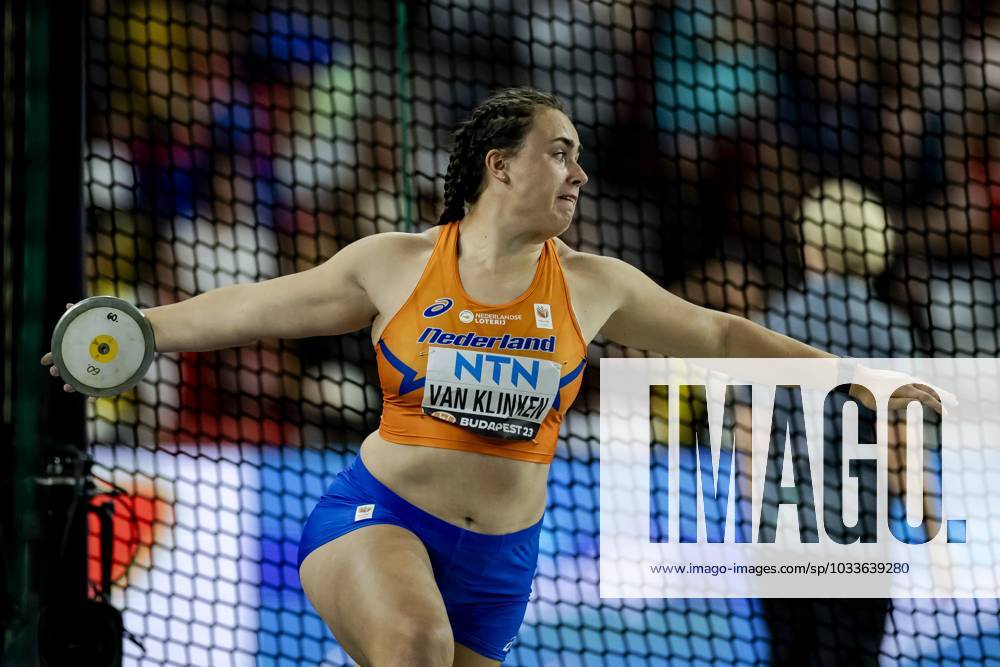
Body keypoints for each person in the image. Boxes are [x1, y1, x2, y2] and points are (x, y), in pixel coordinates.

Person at [43, 87, 942, 667]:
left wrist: (855, 376)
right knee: (413, 642)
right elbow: (251, 309)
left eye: (580, 155)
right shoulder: (394, 264)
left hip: (501, 566)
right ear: (499, 164)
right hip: (378, 516)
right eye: (560, 151)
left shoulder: (593, 286)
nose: (579, 172)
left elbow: (719, 331)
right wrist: (133, 331)